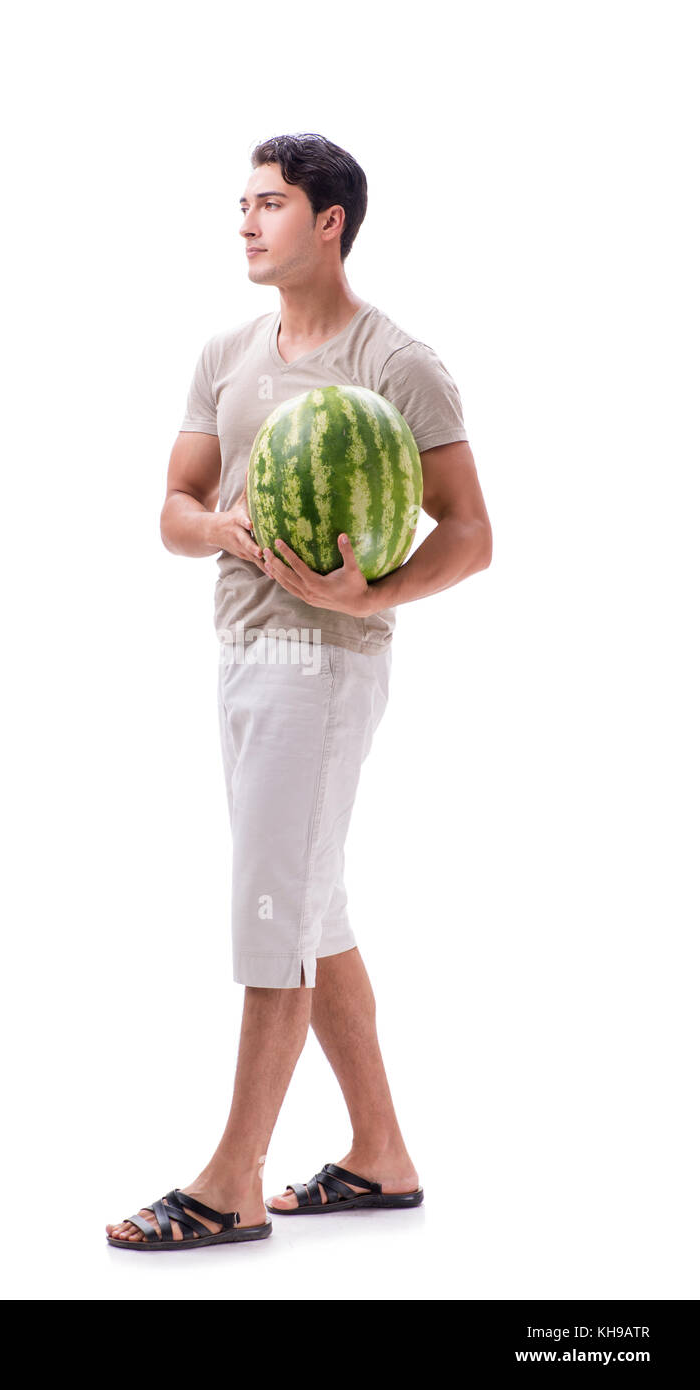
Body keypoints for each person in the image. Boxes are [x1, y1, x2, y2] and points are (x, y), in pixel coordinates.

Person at [107, 132, 492, 1250]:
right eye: (241, 203)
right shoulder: (226, 353)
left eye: (268, 203)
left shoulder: (399, 362)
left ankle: (231, 1178)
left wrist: (373, 599)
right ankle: (381, 1154)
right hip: (238, 656)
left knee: (271, 916)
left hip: (324, 670)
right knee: (312, 912)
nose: (244, 221)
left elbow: (472, 533)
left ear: (330, 221)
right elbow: (173, 506)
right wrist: (219, 526)